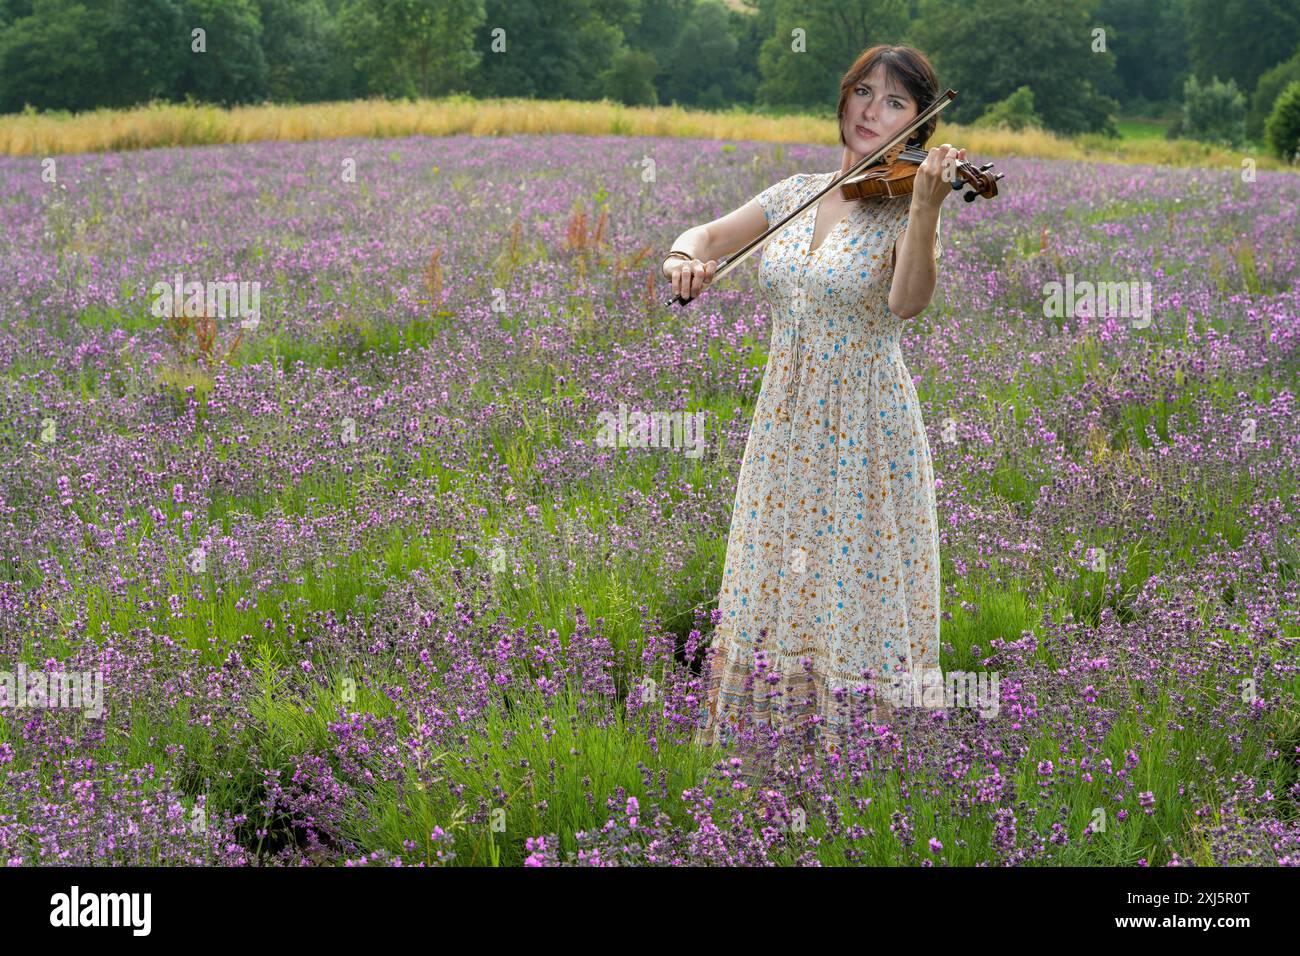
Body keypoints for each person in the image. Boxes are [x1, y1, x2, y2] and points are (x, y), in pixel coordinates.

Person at [663, 45, 957, 757]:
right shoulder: (795, 191)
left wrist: (924, 209)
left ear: (917, 124)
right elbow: (706, 235)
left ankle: (857, 761)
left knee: (852, 581)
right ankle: (765, 755)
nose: (871, 111)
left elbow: (907, 302)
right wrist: (682, 257)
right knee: (775, 573)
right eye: (864, 92)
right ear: (843, 98)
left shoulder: (903, 206)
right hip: (784, 424)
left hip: (864, 425)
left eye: (895, 102)